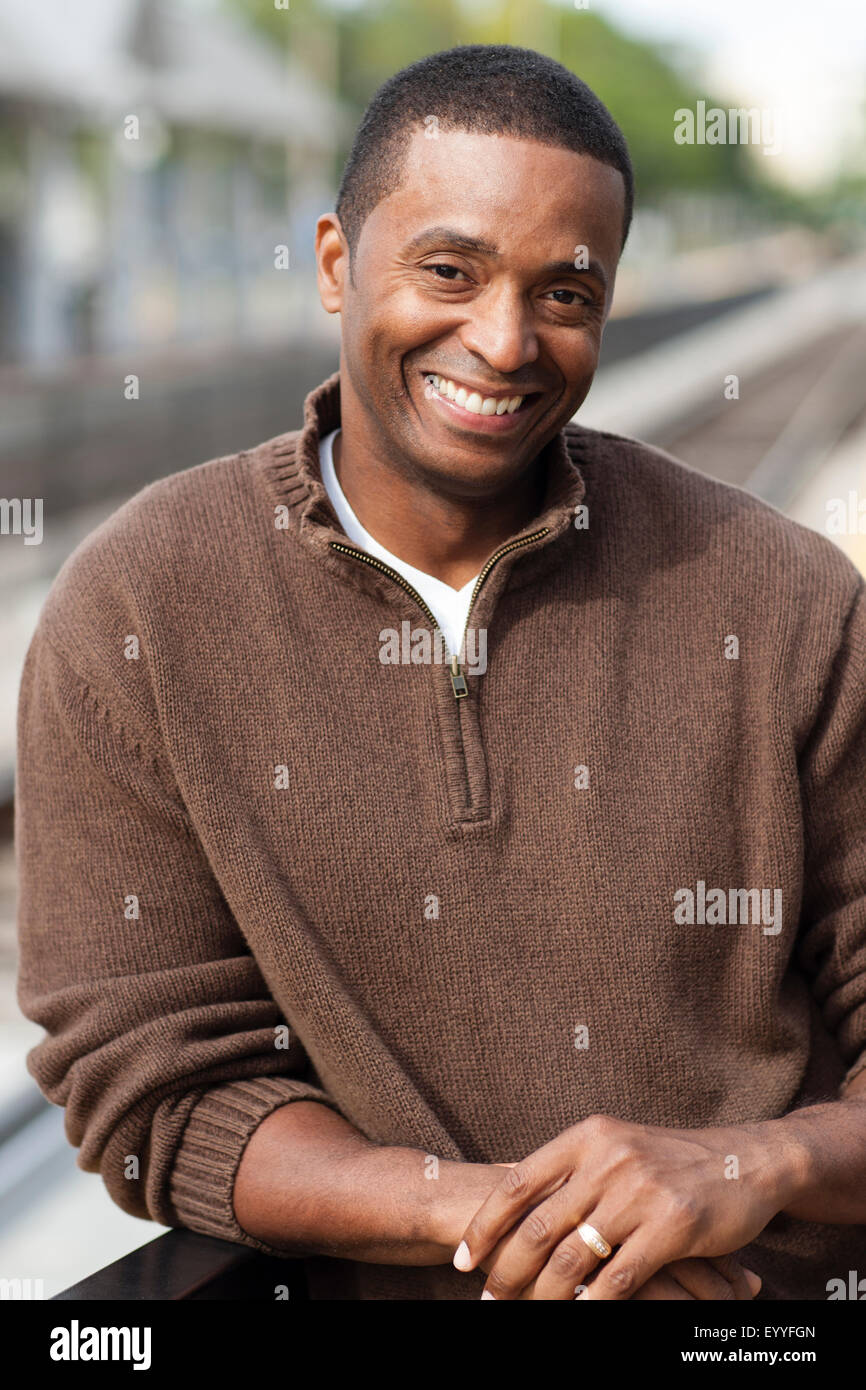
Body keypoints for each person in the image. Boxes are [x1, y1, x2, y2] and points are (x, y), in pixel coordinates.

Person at [16, 45, 866, 1301]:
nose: (505, 340)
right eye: (449, 271)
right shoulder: (140, 603)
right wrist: (513, 1226)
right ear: (332, 263)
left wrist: (745, 1168)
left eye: (565, 294)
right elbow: (153, 1081)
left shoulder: (786, 598)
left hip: (743, 1309)